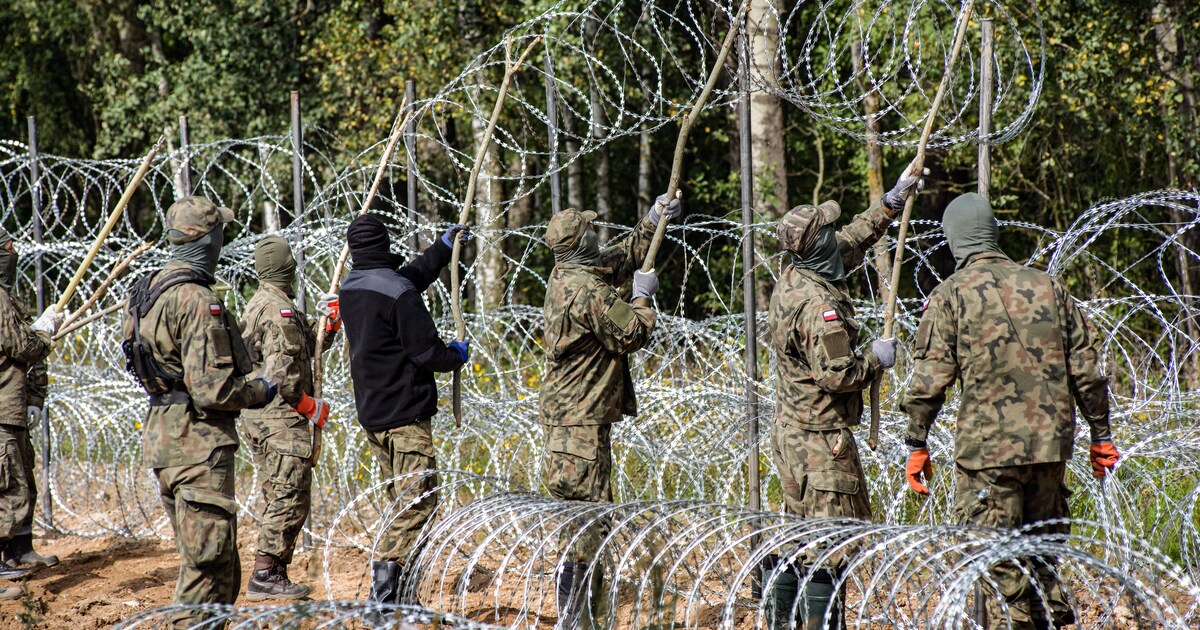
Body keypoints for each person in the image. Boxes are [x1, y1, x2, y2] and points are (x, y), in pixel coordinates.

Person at [900, 192, 1119, 630]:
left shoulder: (950, 296)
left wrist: (916, 442)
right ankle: (1050, 615)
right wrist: (1101, 435)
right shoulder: (1049, 286)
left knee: (994, 558)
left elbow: (930, 380)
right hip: (1050, 449)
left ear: (955, 240)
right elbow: (1087, 371)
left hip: (988, 456)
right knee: (1042, 556)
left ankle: (1017, 619)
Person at [764, 166, 924, 630]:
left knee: (796, 538)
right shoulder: (819, 308)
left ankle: (782, 623)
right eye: (827, 231)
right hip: (821, 442)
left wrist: (890, 203)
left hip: (792, 434)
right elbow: (837, 375)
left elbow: (849, 240)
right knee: (830, 547)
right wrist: (876, 359)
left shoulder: (794, 274)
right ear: (817, 247)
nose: (837, 235)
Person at [122, 196, 278, 628]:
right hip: (197, 441)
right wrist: (260, 390)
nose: (223, 241)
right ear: (206, 240)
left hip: (166, 436)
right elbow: (211, 389)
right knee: (206, 566)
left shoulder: (145, 292)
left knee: (221, 563)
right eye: (220, 233)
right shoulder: (194, 298)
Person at [538, 196, 676, 627]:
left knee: (578, 522)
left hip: (569, 416)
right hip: (581, 422)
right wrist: (641, 298)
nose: (598, 235)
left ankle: (579, 616)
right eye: (590, 231)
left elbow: (616, 258)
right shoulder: (588, 291)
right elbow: (631, 333)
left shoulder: (567, 275)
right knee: (585, 526)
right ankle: (578, 619)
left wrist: (652, 222)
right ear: (580, 242)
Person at [338, 215, 469, 610]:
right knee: (417, 506)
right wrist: (455, 355)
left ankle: (401, 593)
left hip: (375, 414)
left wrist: (441, 251)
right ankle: (387, 599)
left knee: (402, 504)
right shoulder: (397, 292)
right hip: (404, 419)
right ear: (384, 244)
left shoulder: (352, 286)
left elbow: (405, 280)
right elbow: (427, 352)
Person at [239, 235, 339, 600]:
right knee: (290, 495)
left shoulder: (264, 303)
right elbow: (283, 374)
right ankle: (265, 572)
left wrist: (329, 324)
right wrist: (309, 406)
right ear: (288, 268)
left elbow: (303, 348)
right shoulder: (277, 312)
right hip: (281, 419)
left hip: (262, 419)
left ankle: (274, 570)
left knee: (277, 493)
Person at [0, 231, 63, 598]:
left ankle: (18, 547)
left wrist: (35, 398)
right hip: (4, 406)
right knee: (8, 486)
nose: (14, 254)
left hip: (14, 404)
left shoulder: (8, 298)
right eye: (7, 250)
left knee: (22, 478)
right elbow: (23, 346)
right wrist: (43, 333)